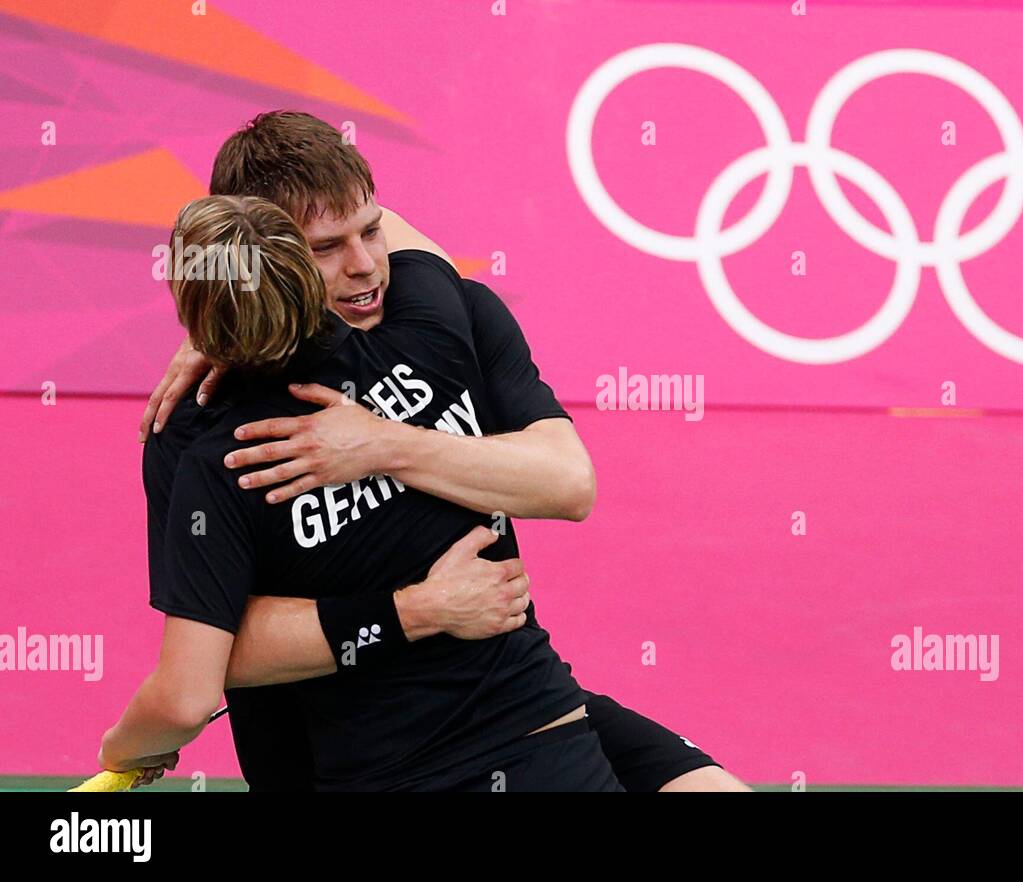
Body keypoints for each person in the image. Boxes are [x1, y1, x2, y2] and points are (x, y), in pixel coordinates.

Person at [132, 112, 747, 792]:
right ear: (270, 260)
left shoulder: (432, 307)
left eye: (372, 229)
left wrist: (386, 445)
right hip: (360, 760)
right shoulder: (198, 435)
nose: (367, 264)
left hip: (531, 703)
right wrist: (418, 609)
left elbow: (571, 484)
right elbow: (208, 659)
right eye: (327, 246)